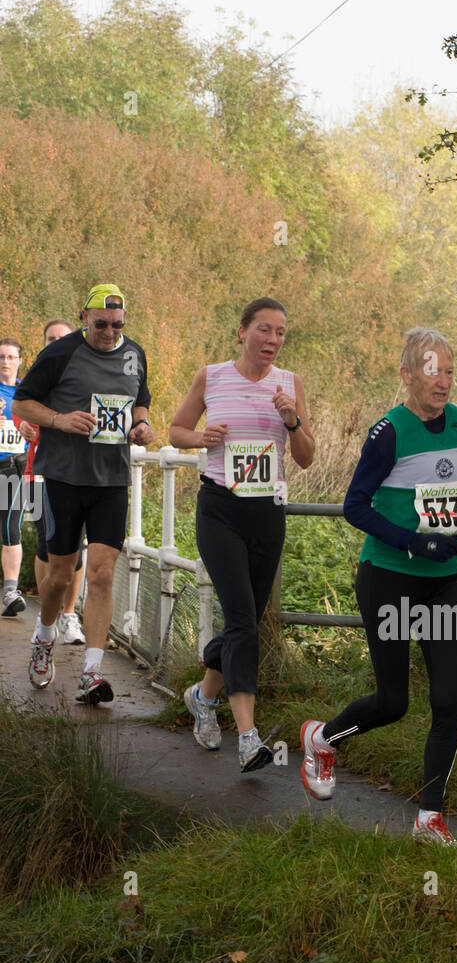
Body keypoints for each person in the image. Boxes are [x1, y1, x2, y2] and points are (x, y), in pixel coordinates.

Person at [299, 327, 457, 846]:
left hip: (443, 585)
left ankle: (429, 818)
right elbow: (355, 506)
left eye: (450, 370)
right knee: (393, 703)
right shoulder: (387, 432)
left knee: (450, 700)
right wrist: (415, 542)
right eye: (432, 371)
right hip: (389, 580)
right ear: (408, 375)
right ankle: (324, 738)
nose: (443, 381)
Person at [169, 297, 314, 772]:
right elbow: (176, 430)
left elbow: (307, 456)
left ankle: (203, 697)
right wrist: (202, 438)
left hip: (267, 512)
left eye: (281, 333)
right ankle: (249, 738)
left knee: (245, 621)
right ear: (242, 332)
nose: (272, 341)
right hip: (221, 510)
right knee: (240, 618)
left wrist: (291, 419)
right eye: (264, 330)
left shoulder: (290, 384)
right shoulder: (212, 376)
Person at [13, 284, 154, 702]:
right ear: (83, 317)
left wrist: (142, 425)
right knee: (59, 576)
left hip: (112, 479)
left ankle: (92, 673)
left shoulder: (135, 353)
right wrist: (59, 419)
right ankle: (43, 638)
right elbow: (22, 404)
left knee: (103, 573)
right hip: (64, 478)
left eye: (117, 325)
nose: (110, 332)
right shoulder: (61, 352)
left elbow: (141, 400)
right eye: (101, 324)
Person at [24, 320, 85, 645]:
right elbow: (17, 409)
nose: (56, 342)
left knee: (75, 546)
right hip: (39, 473)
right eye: (50, 338)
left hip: (76, 474)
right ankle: (46, 613)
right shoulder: (39, 372)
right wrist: (23, 427)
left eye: (61, 338)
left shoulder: (84, 371)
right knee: (46, 546)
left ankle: (68, 614)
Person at [0, 337, 38, 616]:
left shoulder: (28, 392)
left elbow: (39, 423)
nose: (5, 362)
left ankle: (10, 592)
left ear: (20, 361)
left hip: (14, 467)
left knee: (10, 526)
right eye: (1, 357)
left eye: (11, 357)